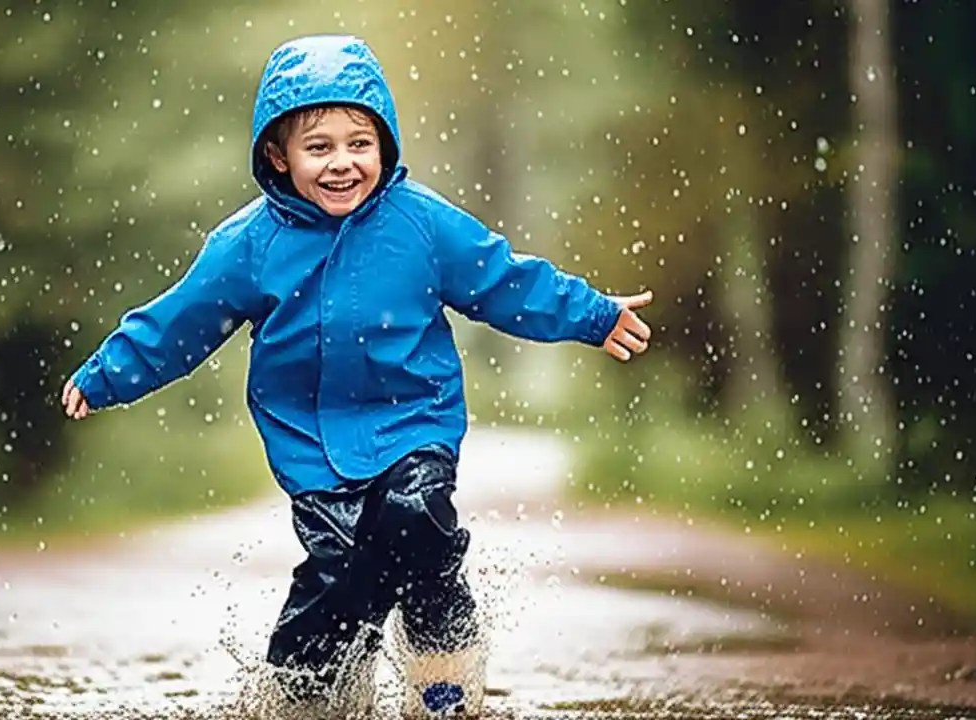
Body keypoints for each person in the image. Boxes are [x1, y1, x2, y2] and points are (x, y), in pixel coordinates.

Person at [60, 34, 653, 718]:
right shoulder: (248, 246)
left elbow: (504, 279)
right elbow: (179, 324)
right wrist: (107, 375)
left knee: (416, 519)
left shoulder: (422, 224)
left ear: (386, 145)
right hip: (312, 448)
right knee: (339, 574)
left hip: (414, 423)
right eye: (320, 148)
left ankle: (444, 677)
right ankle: (308, 690)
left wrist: (592, 314)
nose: (343, 164)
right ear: (278, 157)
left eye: (360, 144)